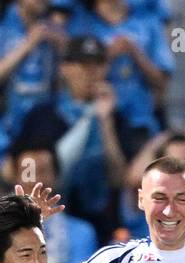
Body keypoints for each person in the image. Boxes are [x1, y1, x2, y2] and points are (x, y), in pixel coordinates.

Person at [19, 35, 128, 239]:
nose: (91, 73)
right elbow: (20, 167)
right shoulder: (44, 114)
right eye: (82, 64)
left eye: (98, 65)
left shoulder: (117, 116)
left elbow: (119, 178)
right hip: (50, 217)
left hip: (103, 222)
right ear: (65, 68)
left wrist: (104, 122)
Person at [0, 0, 67, 218]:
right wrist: (28, 45)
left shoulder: (54, 30)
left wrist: (62, 47)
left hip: (34, 145)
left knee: (33, 222)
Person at [68, 0, 172, 157]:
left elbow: (162, 83)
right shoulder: (82, 22)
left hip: (138, 122)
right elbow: (70, 76)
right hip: (93, 119)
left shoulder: (147, 23)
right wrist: (107, 55)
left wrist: (135, 53)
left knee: (141, 176)